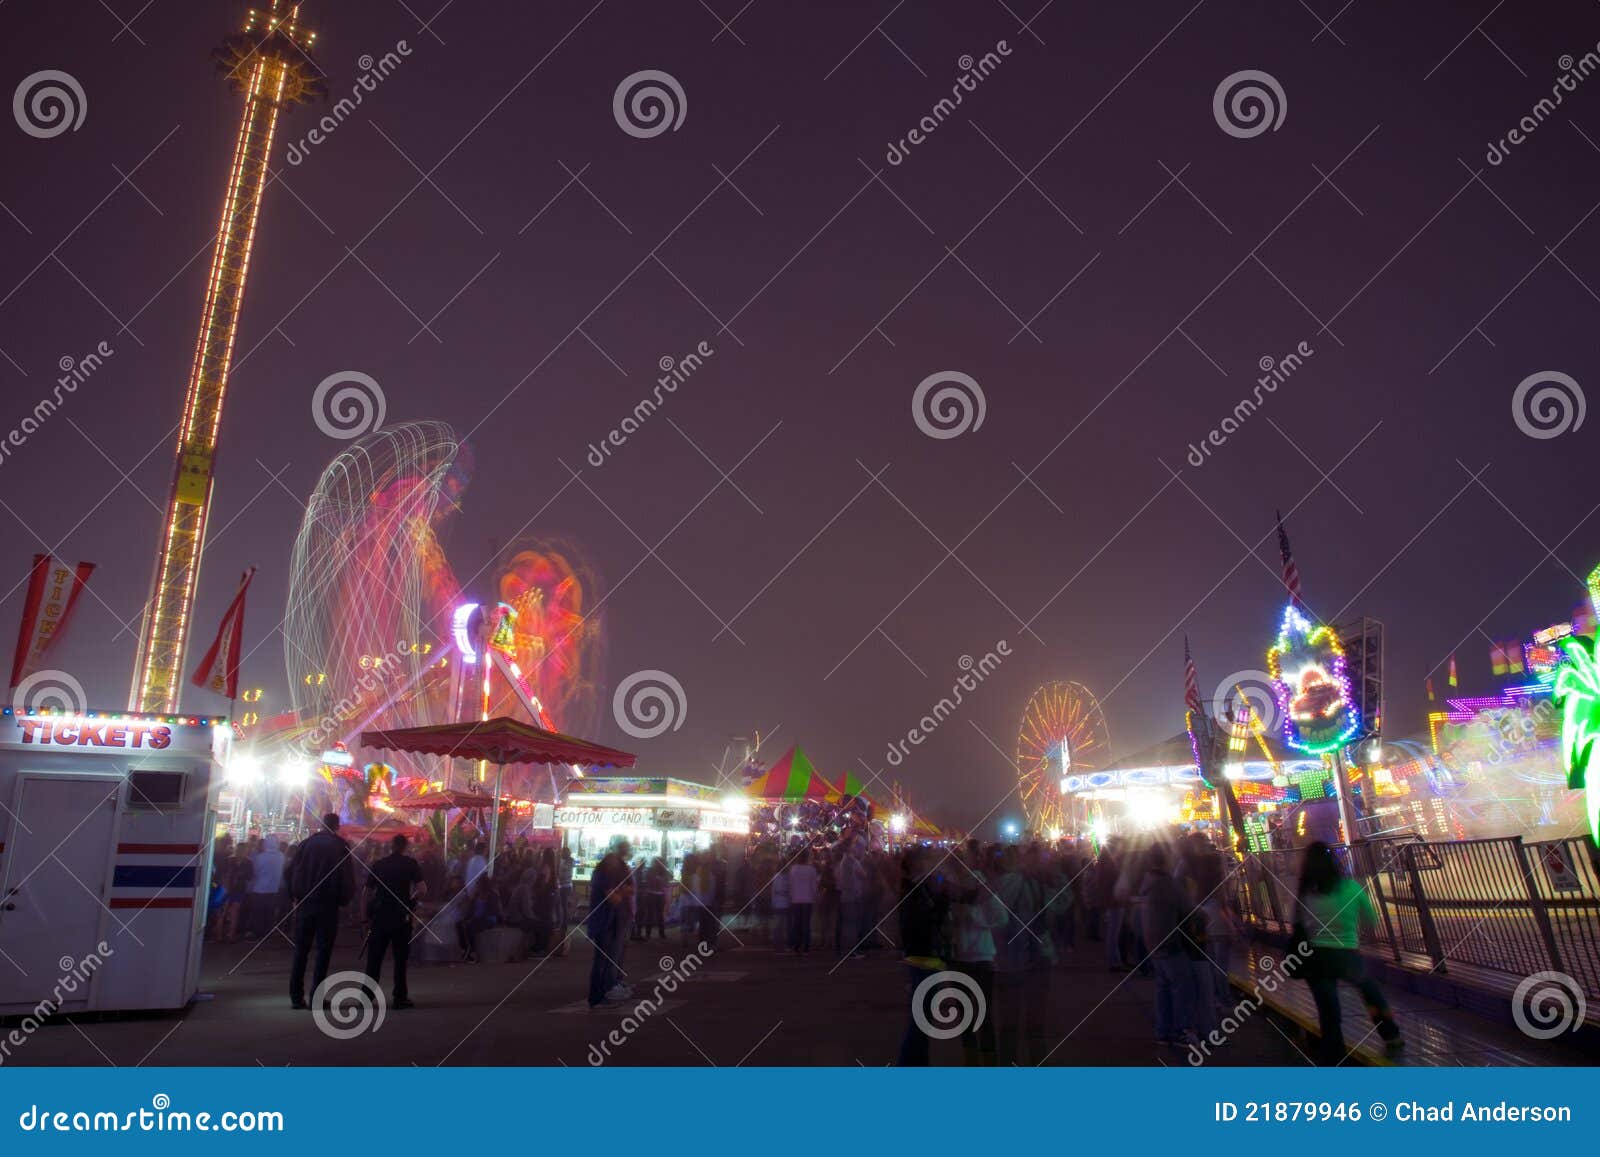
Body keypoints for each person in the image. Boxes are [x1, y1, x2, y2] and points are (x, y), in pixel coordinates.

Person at [1294, 842, 1403, 1063]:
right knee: (1370, 992)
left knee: (1329, 1013)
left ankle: (1334, 1057)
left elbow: (1298, 926)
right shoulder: (1351, 888)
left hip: (1316, 958)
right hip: (1348, 955)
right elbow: (1371, 919)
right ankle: (1390, 1034)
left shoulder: (1305, 894)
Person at [287, 814, 356, 1009]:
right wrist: (345, 900)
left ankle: (296, 996)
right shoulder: (340, 846)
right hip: (327, 904)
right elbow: (347, 877)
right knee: (323, 951)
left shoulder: (305, 844)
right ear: (336, 826)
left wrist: (294, 896)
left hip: (305, 903)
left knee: (301, 950)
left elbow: (291, 871)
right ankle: (316, 997)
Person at [1140, 843, 1199, 1047]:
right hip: (1168, 941)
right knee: (1183, 986)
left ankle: (1163, 1031)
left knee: (1163, 987)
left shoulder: (1148, 881)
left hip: (1152, 942)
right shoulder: (1168, 883)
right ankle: (1182, 1030)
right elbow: (1187, 908)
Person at [895, 847, 950, 1066]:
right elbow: (927, 921)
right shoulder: (915, 891)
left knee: (923, 1020)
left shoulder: (916, 888)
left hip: (922, 955)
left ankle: (917, 1063)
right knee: (920, 1020)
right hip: (922, 956)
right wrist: (943, 900)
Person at [365, 834, 425, 1009]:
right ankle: (399, 997)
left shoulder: (379, 865)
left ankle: (367, 996)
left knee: (374, 958)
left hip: (380, 916)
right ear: (405, 846)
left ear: (391, 846)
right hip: (400, 917)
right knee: (400, 959)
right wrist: (410, 901)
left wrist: (364, 919)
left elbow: (366, 893)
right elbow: (422, 889)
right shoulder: (411, 865)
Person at [587, 836, 634, 1008]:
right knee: (603, 960)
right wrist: (621, 892)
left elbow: (629, 889)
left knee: (611, 959)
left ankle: (607, 991)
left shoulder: (616, 869)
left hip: (614, 921)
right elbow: (612, 897)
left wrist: (620, 891)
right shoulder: (603, 872)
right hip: (604, 922)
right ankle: (597, 997)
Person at [248, 835, 285, 939]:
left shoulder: (260, 857)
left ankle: (258, 934)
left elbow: (254, 873)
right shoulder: (281, 856)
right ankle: (268, 933)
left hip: (259, 889)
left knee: (258, 913)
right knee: (270, 913)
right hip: (274, 890)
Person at [787, 849, 818, 953]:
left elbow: (790, 884)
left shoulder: (793, 869)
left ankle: (796, 945)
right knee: (806, 924)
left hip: (796, 899)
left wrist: (791, 895)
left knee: (796, 923)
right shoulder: (811, 870)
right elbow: (814, 886)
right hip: (808, 899)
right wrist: (815, 896)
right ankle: (806, 946)